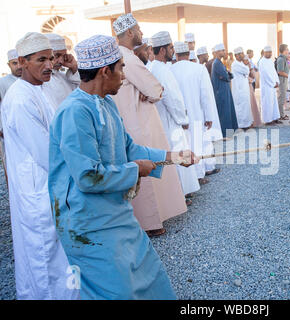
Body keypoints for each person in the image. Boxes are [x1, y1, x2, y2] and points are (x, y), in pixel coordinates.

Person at [49, 34, 198, 300]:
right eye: (121, 68)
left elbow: (128, 148)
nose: (124, 75)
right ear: (105, 71)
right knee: (115, 292)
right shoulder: (74, 112)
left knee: (150, 278)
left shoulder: (106, 103)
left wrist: (174, 156)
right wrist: (134, 170)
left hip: (116, 213)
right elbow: (88, 176)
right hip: (87, 224)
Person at [2, 32, 78, 300]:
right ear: (22, 62)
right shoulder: (20, 98)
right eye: (40, 60)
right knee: (45, 256)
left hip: (52, 186)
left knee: (60, 256)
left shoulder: (42, 87)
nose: (49, 65)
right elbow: (46, 153)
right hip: (38, 190)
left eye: (50, 58)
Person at [111, 14, 187, 236]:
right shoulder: (129, 58)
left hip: (127, 122)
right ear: (130, 33)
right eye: (139, 30)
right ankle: (151, 223)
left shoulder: (119, 56)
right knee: (146, 170)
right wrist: (153, 93)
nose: (142, 34)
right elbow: (155, 90)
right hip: (138, 123)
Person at [149, 32, 202, 192]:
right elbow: (172, 99)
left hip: (165, 120)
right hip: (170, 121)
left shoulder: (158, 67)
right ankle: (182, 193)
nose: (174, 50)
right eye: (171, 47)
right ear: (163, 50)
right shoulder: (161, 70)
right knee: (177, 155)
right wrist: (183, 119)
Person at [171, 41, 221, 181]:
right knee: (198, 144)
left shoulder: (171, 70)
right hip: (197, 114)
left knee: (185, 145)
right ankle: (200, 175)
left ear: (176, 54)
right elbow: (206, 96)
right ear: (188, 54)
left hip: (180, 117)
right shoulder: (198, 69)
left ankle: (191, 178)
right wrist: (209, 116)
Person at [42, 33, 80, 110]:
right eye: (57, 56)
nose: (61, 61)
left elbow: (83, 94)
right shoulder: (39, 81)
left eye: (64, 56)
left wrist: (74, 68)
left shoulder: (62, 76)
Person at [0, 49, 22, 174]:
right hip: (8, 133)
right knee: (12, 168)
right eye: (14, 63)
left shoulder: (30, 81)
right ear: (9, 65)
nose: (18, 66)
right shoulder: (2, 83)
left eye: (19, 62)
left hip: (26, 131)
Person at [211, 43, 238, 137]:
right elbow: (226, 75)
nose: (224, 52)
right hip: (221, 92)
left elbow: (228, 75)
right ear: (218, 52)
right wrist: (228, 75)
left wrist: (228, 75)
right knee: (224, 114)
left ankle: (229, 133)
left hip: (224, 91)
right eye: (222, 50)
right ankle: (225, 134)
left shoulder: (219, 62)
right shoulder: (216, 63)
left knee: (228, 112)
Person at [231, 47, 253, 130]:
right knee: (241, 108)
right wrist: (247, 66)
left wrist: (247, 67)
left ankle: (246, 124)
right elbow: (247, 71)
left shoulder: (240, 64)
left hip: (244, 90)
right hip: (239, 90)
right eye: (241, 54)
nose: (243, 55)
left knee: (245, 107)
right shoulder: (235, 64)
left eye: (242, 53)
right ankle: (241, 125)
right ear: (236, 55)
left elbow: (247, 72)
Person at [258, 46, 280, 125]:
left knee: (273, 102)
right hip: (267, 86)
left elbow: (274, 72)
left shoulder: (270, 61)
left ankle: (274, 118)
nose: (270, 54)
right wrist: (273, 83)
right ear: (264, 53)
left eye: (271, 52)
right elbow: (265, 74)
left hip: (273, 85)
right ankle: (268, 120)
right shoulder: (262, 62)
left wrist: (277, 81)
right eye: (268, 52)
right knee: (267, 103)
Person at [243, 55, 262, 127]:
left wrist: (250, 68)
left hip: (249, 86)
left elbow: (253, 76)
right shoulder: (241, 67)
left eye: (247, 60)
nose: (247, 61)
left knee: (252, 103)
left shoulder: (249, 67)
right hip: (244, 88)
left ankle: (253, 121)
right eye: (246, 60)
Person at [276, 44, 290, 121]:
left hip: (284, 79)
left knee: (283, 97)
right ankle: (280, 115)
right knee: (281, 97)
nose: (288, 51)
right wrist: (289, 76)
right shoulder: (281, 59)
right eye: (287, 49)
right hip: (282, 80)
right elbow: (280, 72)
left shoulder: (284, 59)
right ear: (284, 50)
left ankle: (281, 113)